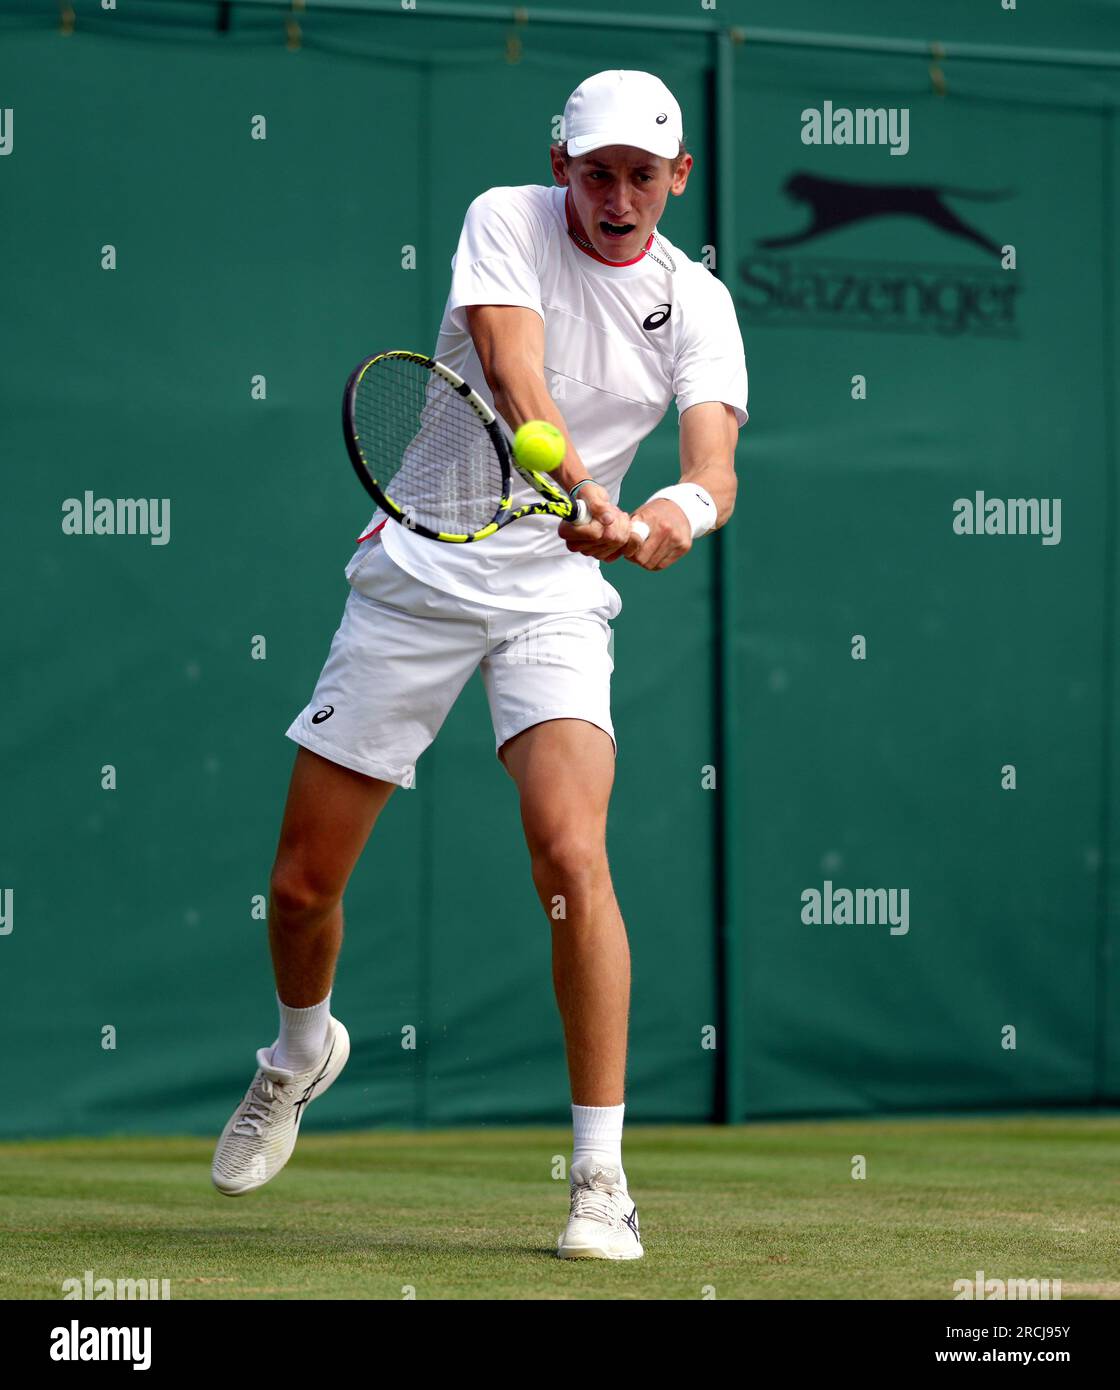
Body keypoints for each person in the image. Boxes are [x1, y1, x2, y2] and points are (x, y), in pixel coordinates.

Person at [212, 68, 748, 1261]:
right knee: (302, 886)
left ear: (679, 179)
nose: (617, 197)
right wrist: (581, 489)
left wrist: (657, 524)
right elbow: (516, 379)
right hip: (421, 575)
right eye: (596, 171)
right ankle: (299, 1054)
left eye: (642, 177)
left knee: (571, 851)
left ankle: (599, 1179)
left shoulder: (698, 302)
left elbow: (712, 469)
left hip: (554, 593)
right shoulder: (505, 217)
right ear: (561, 162)